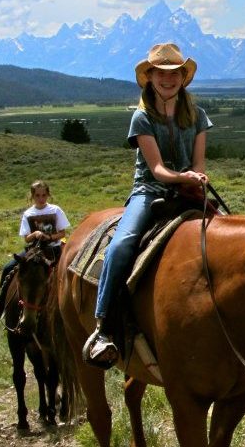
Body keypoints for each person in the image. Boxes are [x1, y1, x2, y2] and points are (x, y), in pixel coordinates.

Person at [84, 43, 212, 366]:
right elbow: (157, 170)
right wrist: (185, 177)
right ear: (150, 77)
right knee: (122, 244)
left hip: (188, 190)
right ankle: (102, 326)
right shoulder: (141, 118)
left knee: (233, 234)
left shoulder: (197, 116)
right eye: (161, 73)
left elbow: (199, 162)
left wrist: (197, 177)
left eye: (174, 73)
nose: (168, 79)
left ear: (182, 77)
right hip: (150, 191)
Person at [0, 180, 70, 318]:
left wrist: (49, 237)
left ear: (48, 195)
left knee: (69, 270)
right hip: (34, 251)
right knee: (9, 267)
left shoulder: (55, 210)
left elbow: (62, 234)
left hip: (53, 250)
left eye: (43, 195)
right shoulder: (28, 213)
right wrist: (35, 234)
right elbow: (26, 238)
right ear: (32, 196)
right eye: (37, 195)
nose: (41, 198)